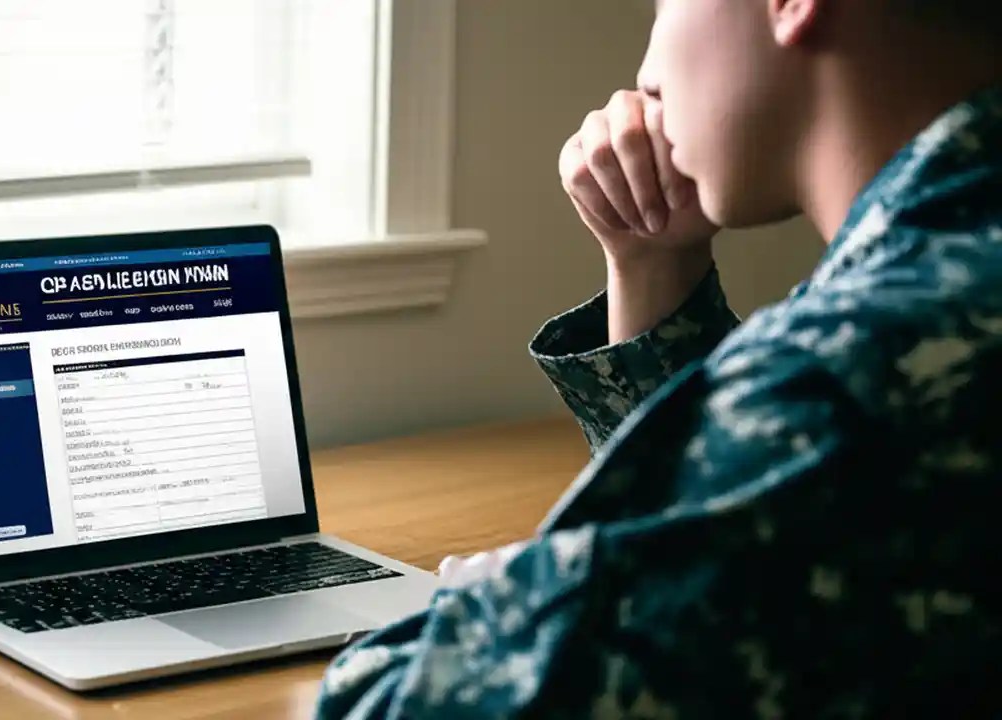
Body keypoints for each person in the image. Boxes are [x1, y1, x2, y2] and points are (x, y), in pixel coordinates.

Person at [313, 0, 1002, 716]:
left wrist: (505, 593)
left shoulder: (841, 387)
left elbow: (386, 707)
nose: (644, 72)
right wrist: (654, 267)